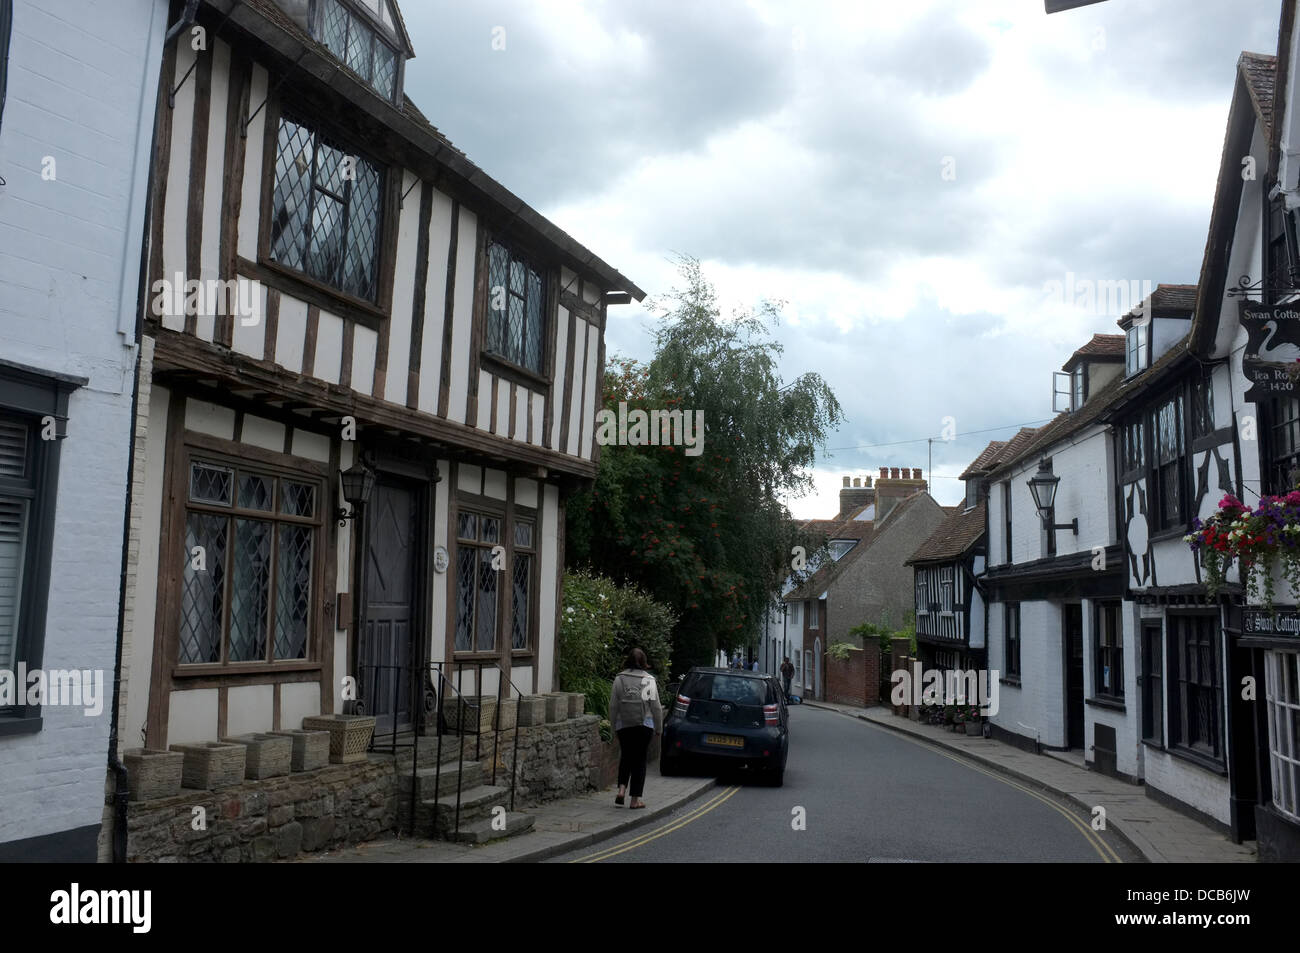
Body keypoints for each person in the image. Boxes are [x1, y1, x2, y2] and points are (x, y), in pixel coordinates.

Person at [609, 647, 663, 809]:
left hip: (623, 725)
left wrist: (613, 728)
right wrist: (659, 728)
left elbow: (613, 706)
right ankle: (635, 800)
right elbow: (655, 708)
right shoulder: (647, 680)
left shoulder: (620, 679)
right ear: (644, 662)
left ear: (627, 661)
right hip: (643, 725)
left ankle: (621, 789)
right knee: (639, 761)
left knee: (625, 756)